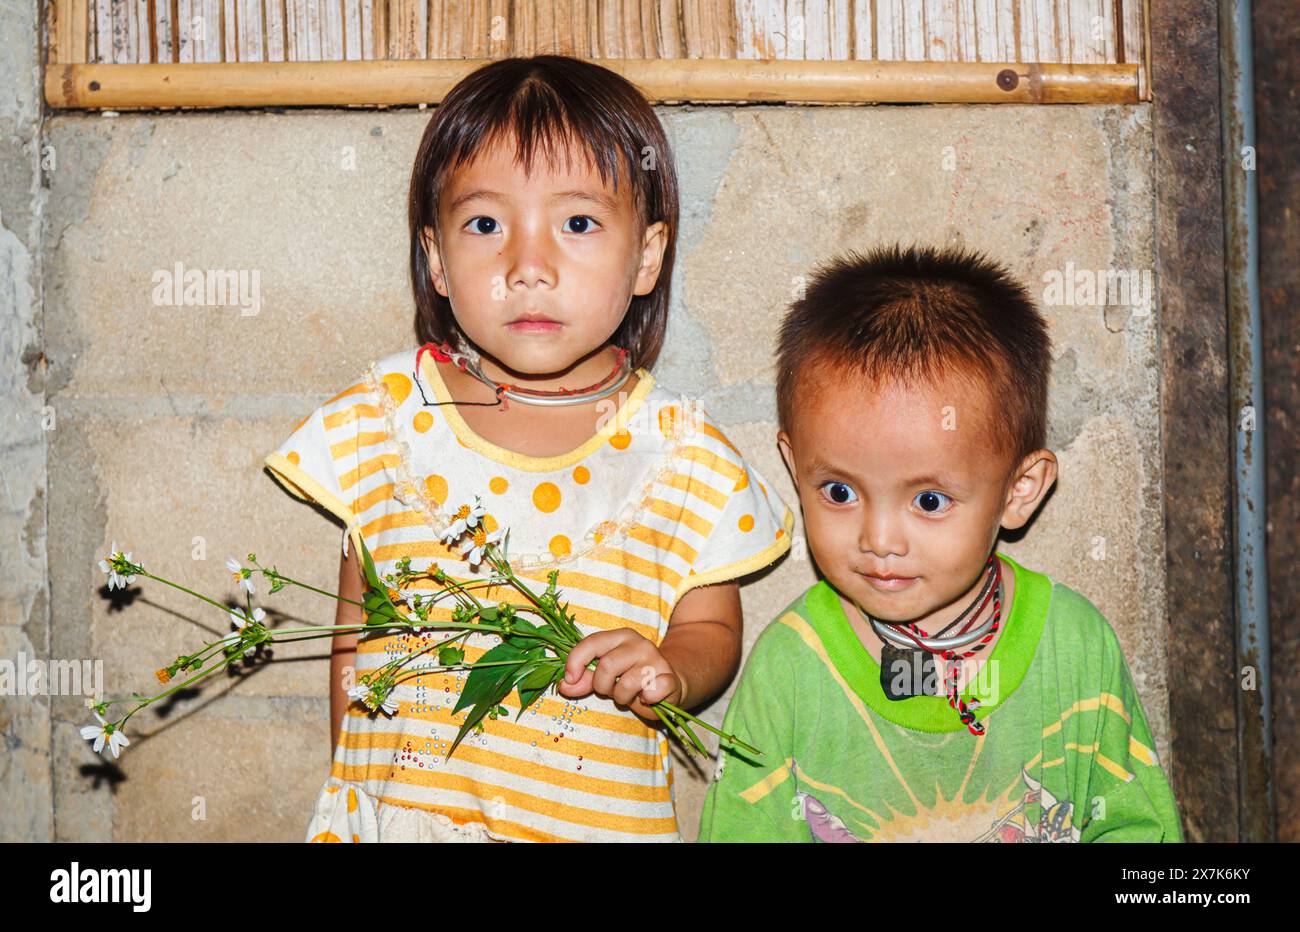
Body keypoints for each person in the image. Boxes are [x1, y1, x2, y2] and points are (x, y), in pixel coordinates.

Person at [264, 55, 793, 843]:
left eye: (578, 224)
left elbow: (713, 630)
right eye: (485, 225)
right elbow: (355, 636)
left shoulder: (684, 455)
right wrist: (353, 789)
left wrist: (669, 668)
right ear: (437, 259)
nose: (529, 267)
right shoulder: (385, 420)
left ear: (646, 256)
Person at [698, 244, 1183, 842]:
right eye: (839, 492)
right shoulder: (791, 670)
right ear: (793, 467)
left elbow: (1140, 831)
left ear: (1019, 490)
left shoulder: (1075, 650)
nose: (878, 540)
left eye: (929, 501)